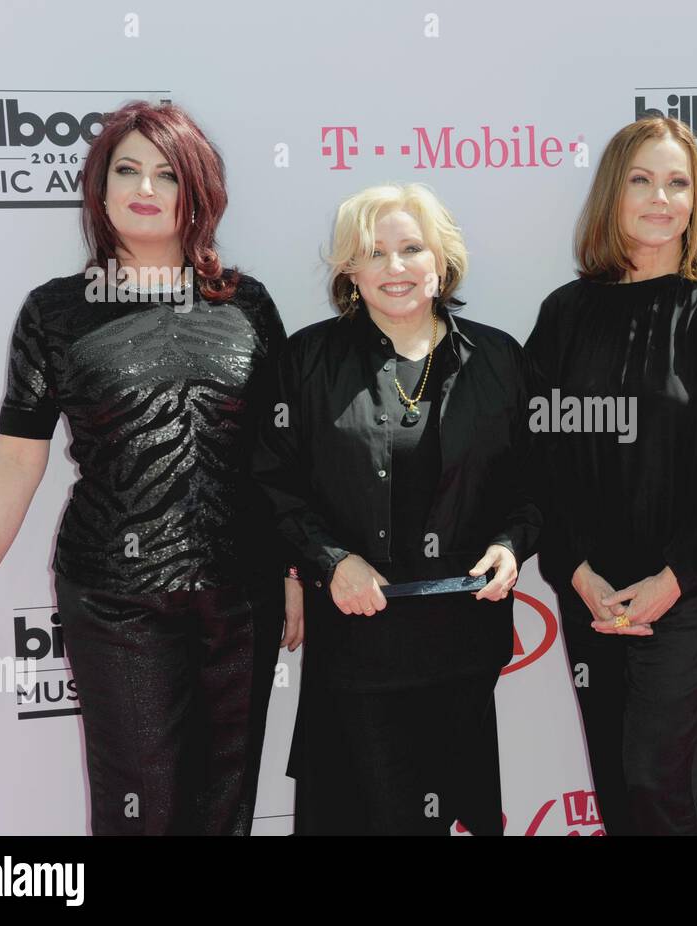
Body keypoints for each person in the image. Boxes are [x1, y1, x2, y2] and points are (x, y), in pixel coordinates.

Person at [0, 101, 292, 835]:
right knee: (141, 808)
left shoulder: (246, 304)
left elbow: (279, 451)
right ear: (98, 190)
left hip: (242, 593)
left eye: (168, 174)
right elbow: (17, 451)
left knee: (223, 805)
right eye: (127, 169)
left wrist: (294, 574)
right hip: (116, 599)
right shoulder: (57, 311)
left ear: (198, 193)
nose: (146, 186)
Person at [251, 183, 539, 835]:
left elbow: (537, 486)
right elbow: (270, 483)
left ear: (442, 262)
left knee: (441, 815)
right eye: (374, 253)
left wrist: (511, 543)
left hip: (462, 645)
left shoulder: (499, 360)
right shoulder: (306, 360)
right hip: (356, 646)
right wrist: (329, 562)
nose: (396, 267)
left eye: (412, 248)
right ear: (351, 271)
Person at [525, 116, 697, 836]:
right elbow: (540, 459)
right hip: (592, 590)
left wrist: (675, 580)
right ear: (612, 192)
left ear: (696, 201)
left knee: (653, 786)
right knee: (615, 789)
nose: (661, 198)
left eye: (677, 182)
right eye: (642, 180)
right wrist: (577, 573)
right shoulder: (566, 314)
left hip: (686, 591)